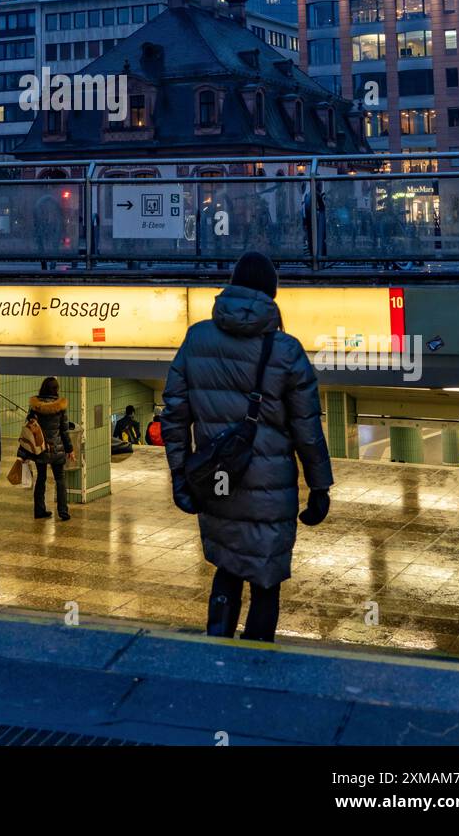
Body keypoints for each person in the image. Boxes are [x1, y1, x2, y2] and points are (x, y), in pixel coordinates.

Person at [162, 251, 333, 644]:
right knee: (265, 582)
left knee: (226, 567)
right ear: (272, 292)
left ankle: (217, 651)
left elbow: (173, 415)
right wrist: (319, 486)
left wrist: (179, 476)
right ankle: (255, 665)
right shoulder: (286, 351)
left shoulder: (197, 338)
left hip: (219, 482)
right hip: (271, 490)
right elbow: (307, 428)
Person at [22, 376, 74, 521]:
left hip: (40, 448)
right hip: (57, 449)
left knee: (41, 478)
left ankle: (39, 510)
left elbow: (29, 426)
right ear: (56, 390)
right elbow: (64, 431)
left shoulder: (35, 406)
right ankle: (63, 511)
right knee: (60, 479)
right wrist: (70, 449)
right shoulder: (60, 407)